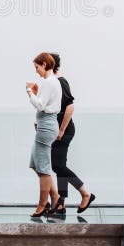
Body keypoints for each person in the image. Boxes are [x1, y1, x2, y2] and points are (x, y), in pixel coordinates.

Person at [48, 53, 95, 215]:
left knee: (57, 165)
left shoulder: (61, 82)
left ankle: (85, 194)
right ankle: (61, 203)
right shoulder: (53, 83)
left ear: (49, 65)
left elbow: (70, 107)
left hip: (64, 130)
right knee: (59, 165)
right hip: (57, 130)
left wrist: (61, 130)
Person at [26, 52, 62, 218]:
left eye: (37, 67)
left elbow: (40, 105)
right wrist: (36, 91)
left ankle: (42, 205)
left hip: (46, 125)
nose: (36, 70)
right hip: (46, 125)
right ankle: (54, 196)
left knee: (43, 167)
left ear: (45, 65)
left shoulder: (49, 82)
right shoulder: (51, 82)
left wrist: (29, 92)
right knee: (36, 163)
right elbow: (45, 102)